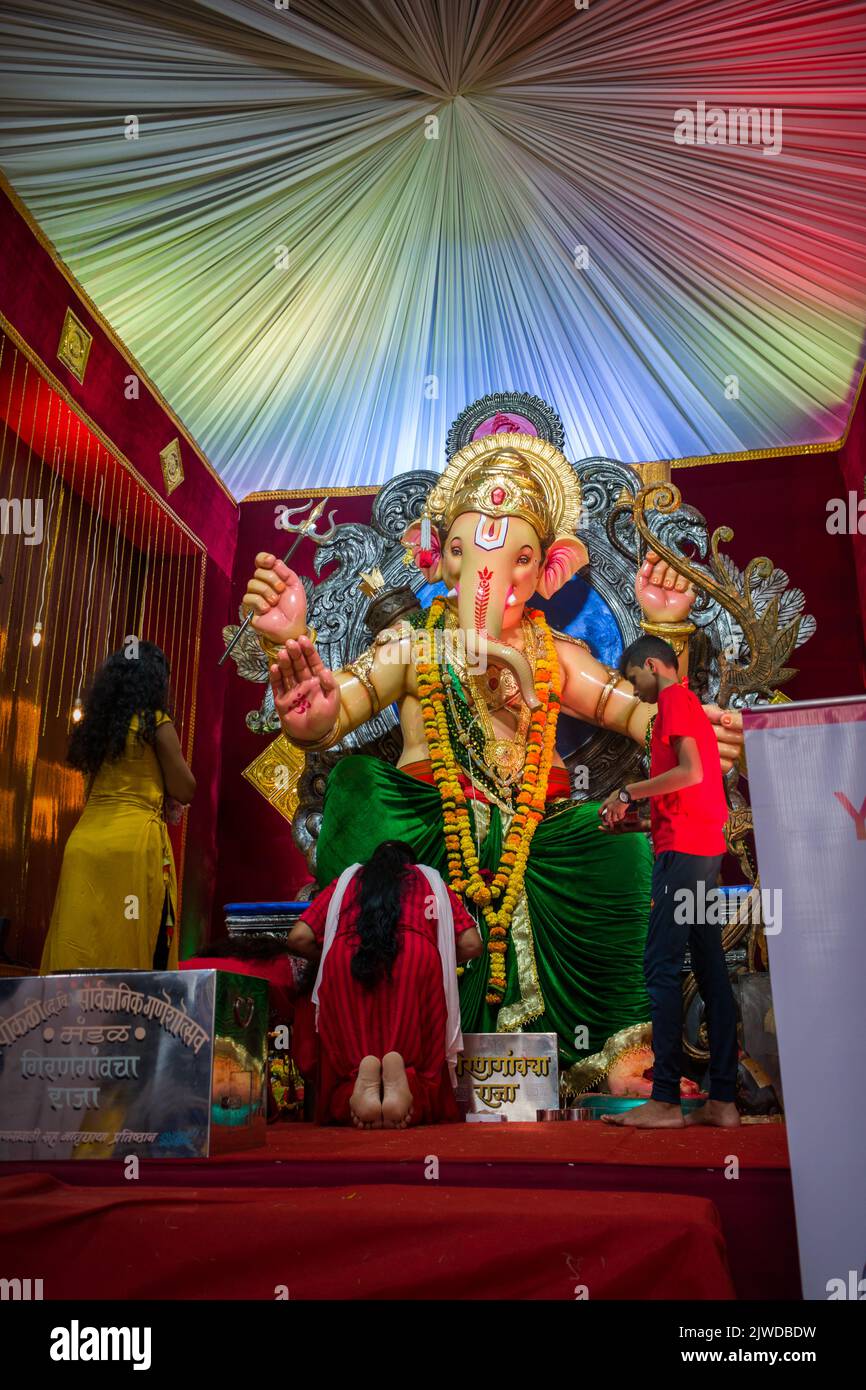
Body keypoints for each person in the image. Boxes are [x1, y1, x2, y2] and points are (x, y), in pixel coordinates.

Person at [598, 636, 739, 1129]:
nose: (634, 691)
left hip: (684, 856)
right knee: (711, 970)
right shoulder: (688, 707)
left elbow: (691, 770)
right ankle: (723, 1101)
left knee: (660, 966)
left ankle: (663, 1101)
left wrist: (627, 791)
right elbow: (690, 791)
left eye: (633, 678)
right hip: (699, 850)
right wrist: (636, 821)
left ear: (652, 665)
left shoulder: (676, 700)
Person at [287, 840, 483, 1129]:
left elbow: (298, 937)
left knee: (346, 1047)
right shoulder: (427, 880)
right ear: (411, 864)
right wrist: (432, 953)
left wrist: (333, 954)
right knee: (424, 1053)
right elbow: (471, 943)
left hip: (346, 954)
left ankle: (357, 1082)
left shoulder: (347, 881)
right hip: (416, 953)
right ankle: (408, 1085)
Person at [40, 641, 195, 974]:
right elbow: (186, 788)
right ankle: (123, 1020)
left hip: (84, 848)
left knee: (78, 943)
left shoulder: (97, 729)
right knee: (127, 941)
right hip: (131, 849)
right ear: (154, 681)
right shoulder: (155, 722)